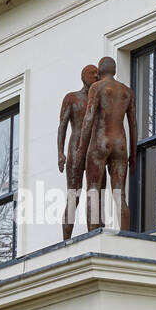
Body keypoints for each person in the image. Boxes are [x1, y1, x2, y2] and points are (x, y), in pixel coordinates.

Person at [72, 55, 136, 232]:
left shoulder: (97, 87)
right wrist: (134, 154)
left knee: (93, 190)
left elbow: (89, 118)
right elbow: (133, 125)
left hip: (100, 142)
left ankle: (92, 236)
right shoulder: (127, 92)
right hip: (120, 144)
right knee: (120, 194)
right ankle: (125, 235)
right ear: (114, 71)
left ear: (100, 72)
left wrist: (80, 151)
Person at [57, 64, 98, 240]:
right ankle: (66, 239)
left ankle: (95, 234)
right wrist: (60, 152)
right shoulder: (72, 98)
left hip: (94, 149)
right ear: (83, 76)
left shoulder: (99, 98)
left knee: (95, 194)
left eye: (97, 73)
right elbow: (62, 125)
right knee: (74, 194)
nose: (96, 76)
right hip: (75, 148)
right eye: (92, 73)